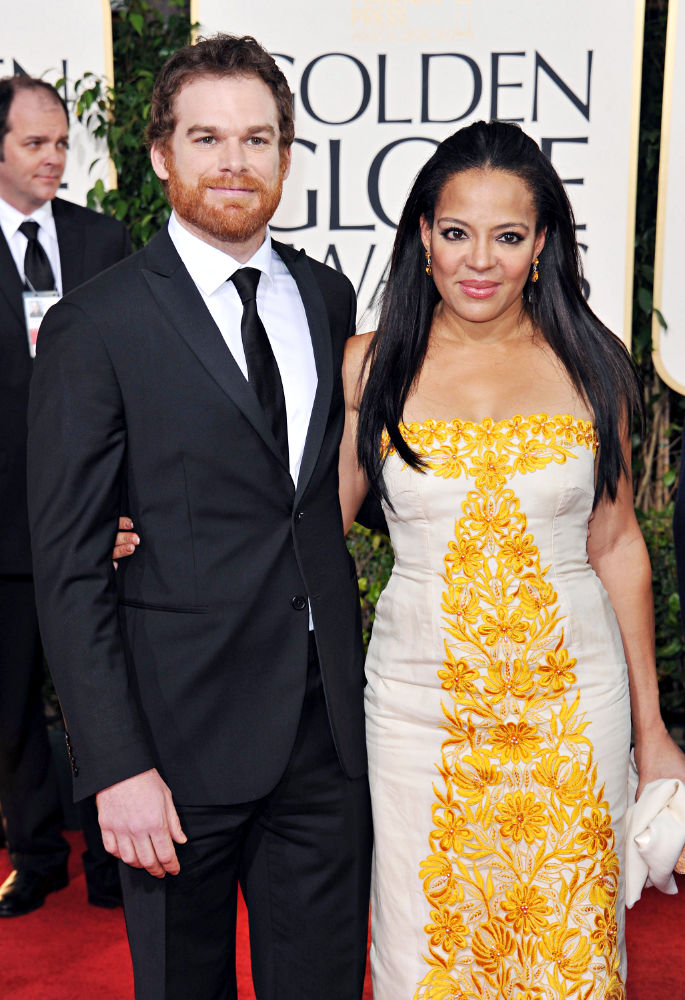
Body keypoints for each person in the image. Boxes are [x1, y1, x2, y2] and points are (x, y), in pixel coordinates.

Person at [27, 35, 371, 1000]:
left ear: (286, 154)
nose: (234, 162)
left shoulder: (323, 293)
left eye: (257, 138)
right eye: (207, 137)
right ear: (160, 155)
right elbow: (68, 566)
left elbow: (328, 494)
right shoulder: (97, 325)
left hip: (323, 736)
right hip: (173, 747)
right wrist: (116, 765)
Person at [337, 120, 685, 999]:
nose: (477, 261)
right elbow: (308, 531)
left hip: (573, 713)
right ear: (422, 237)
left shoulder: (591, 365)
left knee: (564, 948)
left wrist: (652, 732)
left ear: (541, 245)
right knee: (428, 954)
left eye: (507, 236)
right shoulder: (368, 367)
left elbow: (614, 547)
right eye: (455, 233)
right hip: (421, 720)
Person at [0, 75, 130, 917]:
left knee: (104, 693)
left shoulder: (104, 241)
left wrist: (130, 508)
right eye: (34, 144)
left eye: (60, 143)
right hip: (2, 526)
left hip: (97, 521)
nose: (55, 158)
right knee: (9, 708)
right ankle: (38, 856)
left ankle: (116, 862)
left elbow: (137, 389)